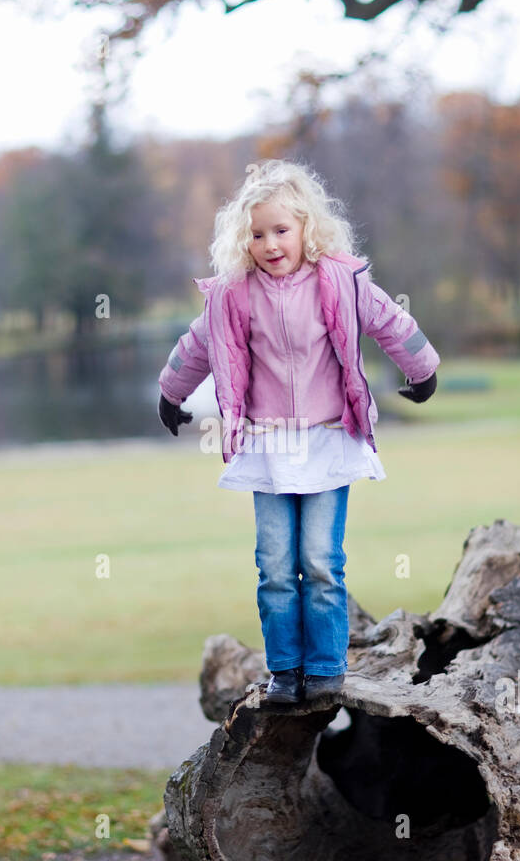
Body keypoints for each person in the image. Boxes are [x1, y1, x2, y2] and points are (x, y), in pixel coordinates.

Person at [157, 159, 440, 705]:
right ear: (245, 241)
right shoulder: (234, 294)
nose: (270, 243)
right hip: (268, 445)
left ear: (307, 228)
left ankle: (327, 668)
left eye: (281, 230)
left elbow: (390, 321)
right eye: (257, 234)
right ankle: (285, 671)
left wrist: (422, 369)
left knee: (320, 560)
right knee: (275, 565)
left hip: (328, 438)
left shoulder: (339, 280)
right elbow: (197, 346)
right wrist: (171, 393)